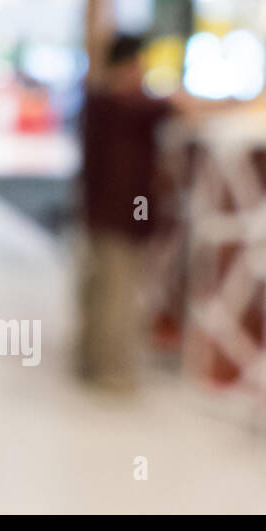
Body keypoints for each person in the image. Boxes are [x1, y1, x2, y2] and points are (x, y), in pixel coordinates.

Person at [78, 34, 177, 392]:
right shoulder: (122, 104)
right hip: (118, 215)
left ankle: (91, 360)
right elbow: (174, 106)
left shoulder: (98, 101)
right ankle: (111, 370)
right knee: (115, 295)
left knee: (101, 289)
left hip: (103, 213)